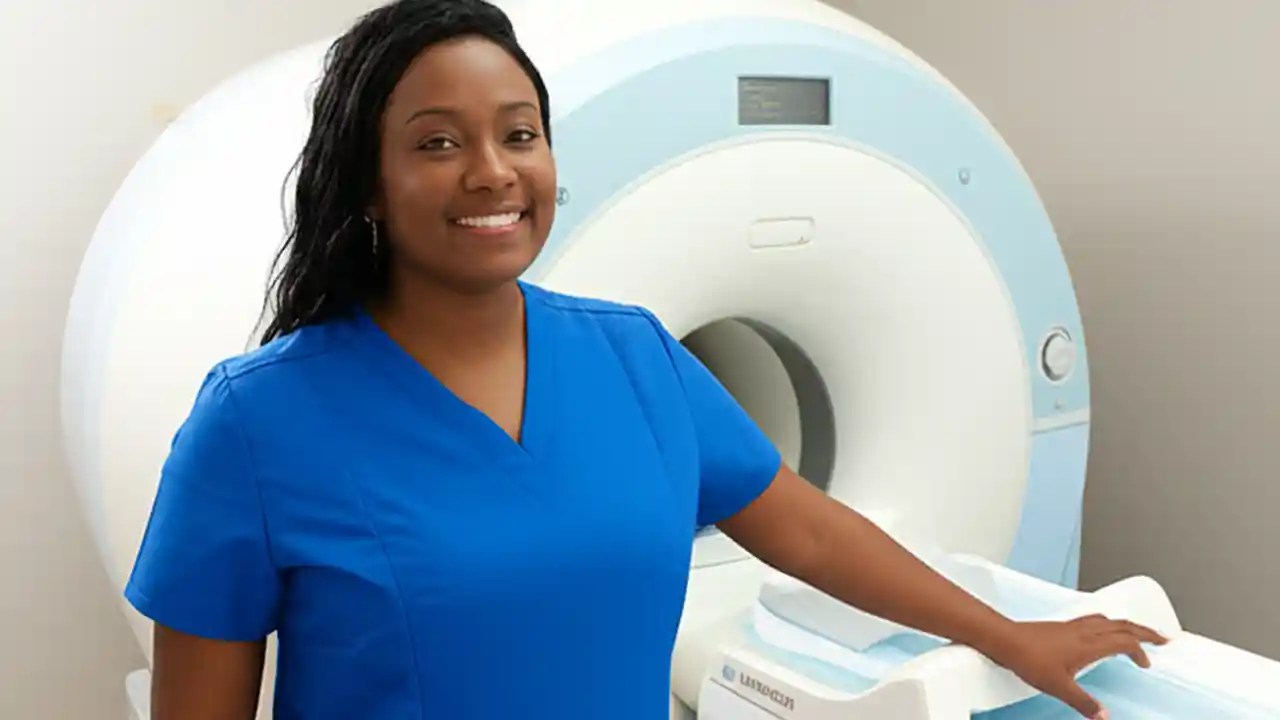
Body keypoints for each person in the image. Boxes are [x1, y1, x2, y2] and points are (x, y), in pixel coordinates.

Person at [124, 1, 1164, 718]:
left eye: (519, 134)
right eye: (437, 143)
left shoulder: (630, 358)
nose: (492, 172)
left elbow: (807, 531)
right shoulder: (261, 423)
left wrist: (1006, 632)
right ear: (364, 184)